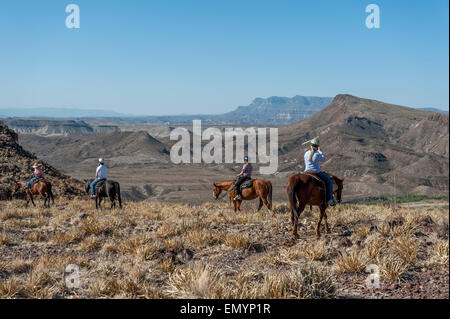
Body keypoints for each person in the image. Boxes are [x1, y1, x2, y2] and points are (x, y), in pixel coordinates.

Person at [304, 137, 337, 206]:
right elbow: (323, 159)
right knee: (329, 182)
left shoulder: (306, 153)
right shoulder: (318, 154)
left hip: (306, 171)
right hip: (316, 172)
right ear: (317, 146)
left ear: (311, 145)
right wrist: (320, 151)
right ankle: (330, 199)